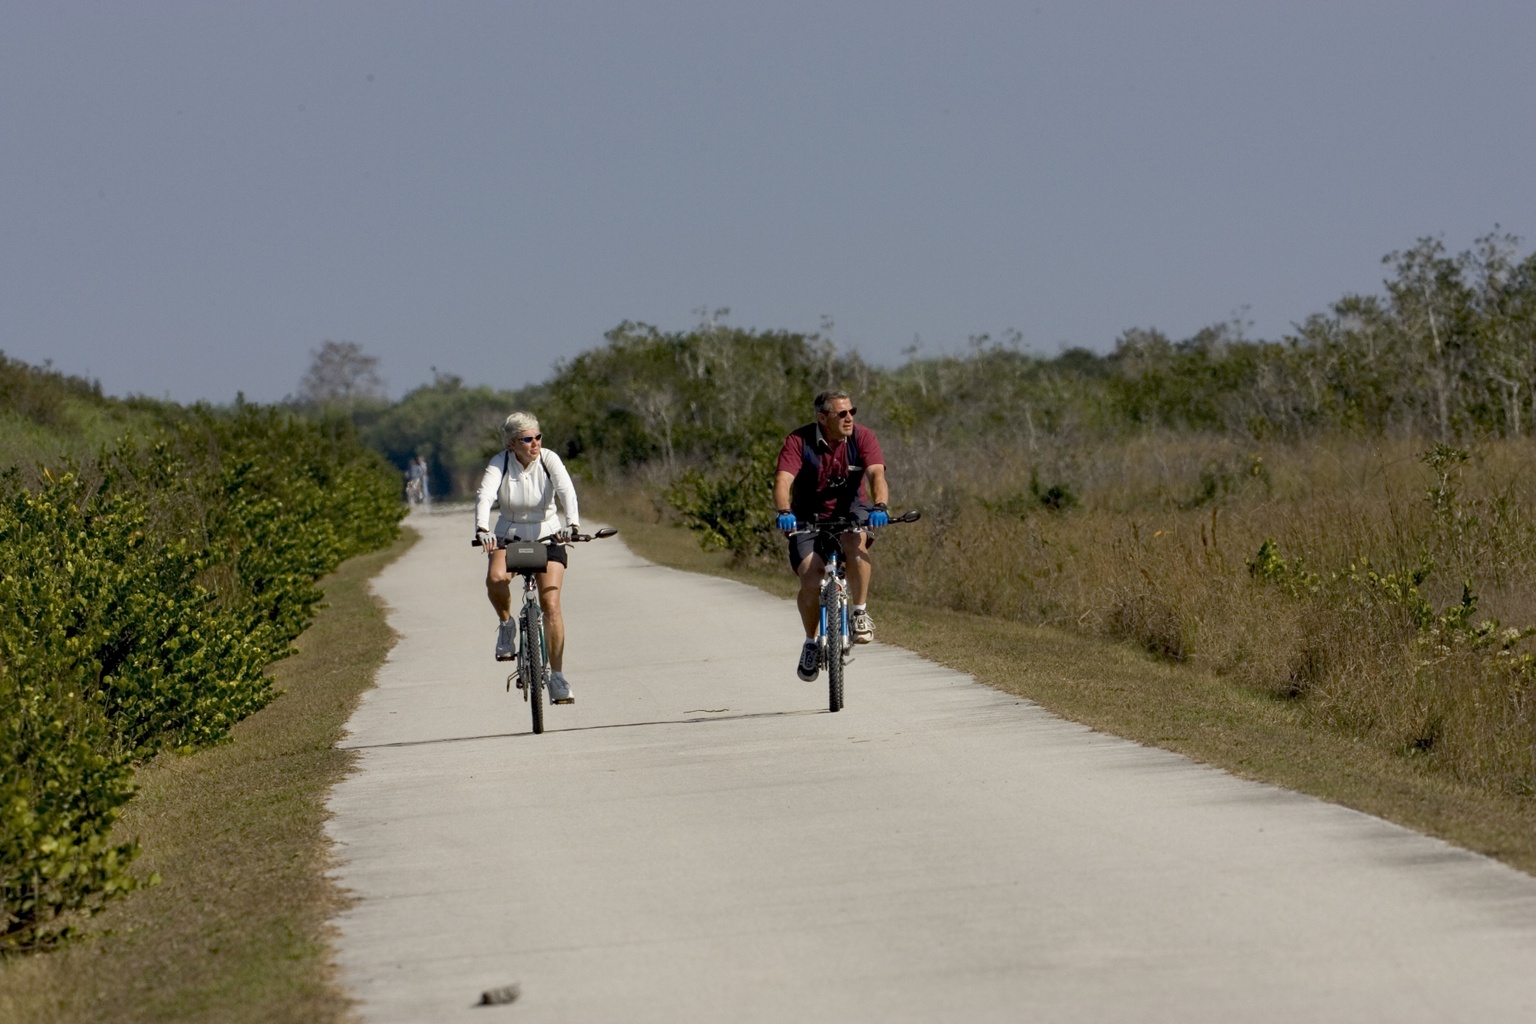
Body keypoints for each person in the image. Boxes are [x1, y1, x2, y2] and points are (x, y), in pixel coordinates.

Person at [773, 389, 891, 682]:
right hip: (807, 518)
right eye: (842, 414)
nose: (849, 418)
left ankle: (859, 612)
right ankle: (811, 643)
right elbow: (783, 480)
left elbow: (876, 474)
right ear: (823, 418)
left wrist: (880, 505)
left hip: (852, 511)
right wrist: (784, 511)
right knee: (811, 577)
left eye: (852, 412)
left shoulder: (863, 437)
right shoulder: (798, 441)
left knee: (855, 541)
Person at [474, 413, 582, 704]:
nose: (535, 443)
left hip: (548, 535)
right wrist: (482, 529)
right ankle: (506, 625)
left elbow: (566, 490)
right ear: (512, 443)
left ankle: (557, 677)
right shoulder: (500, 463)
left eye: (538, 437)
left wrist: (572, 524)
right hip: (509, 535)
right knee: (496, 579)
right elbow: (485, 495)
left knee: (551, 604)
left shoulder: (549, 459)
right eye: (527, 439)